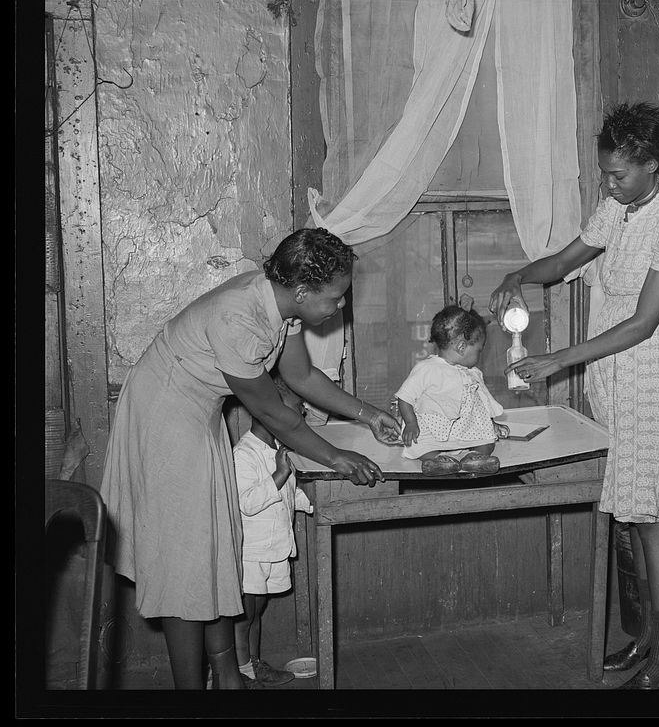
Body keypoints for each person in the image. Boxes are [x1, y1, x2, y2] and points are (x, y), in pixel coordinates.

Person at [100, 228, 401, 690]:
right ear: (302, 291)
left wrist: (367, 413)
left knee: (216, 544)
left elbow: (299, 375)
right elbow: (273, 413)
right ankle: (190, 690)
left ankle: (228, 674)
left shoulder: (280, 305)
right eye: (336, 297)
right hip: (162, 415)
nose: (340, 306)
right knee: (183, 560)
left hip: (198, 416)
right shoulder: (238, 317)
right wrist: (337, 456)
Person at [489, 102, 659, 690]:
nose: (608, 183)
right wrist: (520, 275)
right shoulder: (619, 208)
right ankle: (649, 639)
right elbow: (565, 260)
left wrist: (557, 359)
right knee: (631, 507)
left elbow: (644, 322)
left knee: (653, 516)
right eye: (605, 172)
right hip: (611, 375)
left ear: (652, 166)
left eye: (619, 174)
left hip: (645, 373)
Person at [231, 373, 313, 688]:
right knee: (244, 615)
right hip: (251, 550)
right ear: (272, 409)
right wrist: (280, 473)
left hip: (273, 547)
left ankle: (252, 666)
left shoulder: (280, 449)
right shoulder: (244, 455)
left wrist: (309, 504)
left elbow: (288, 494)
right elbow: (248, 503)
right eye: (297, 405)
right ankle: (237, 672)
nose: (303, 411)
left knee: (257, 610)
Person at [394, 305, 510, 476]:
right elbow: (404, 398)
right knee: (419, 443)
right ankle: (435, 460)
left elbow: (480, 404)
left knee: (488, 440)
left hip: (465, 427)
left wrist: (491, 423)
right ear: (462, 347)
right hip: (433, 427)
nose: (480, 355)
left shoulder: (471, 373)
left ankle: (474, 457)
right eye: (479, 350)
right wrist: (411, 423)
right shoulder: (427, 369)